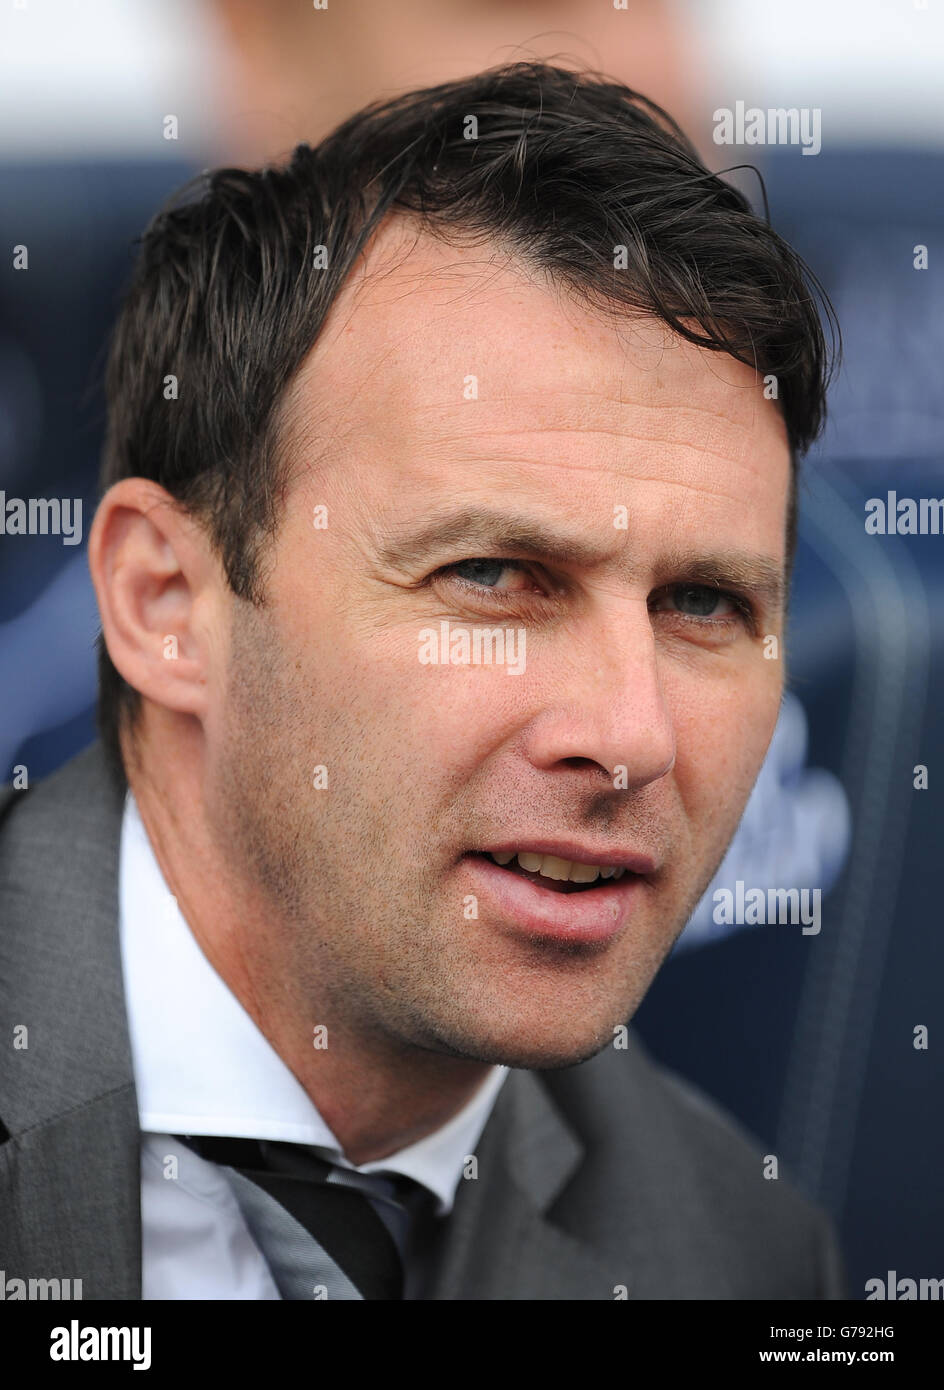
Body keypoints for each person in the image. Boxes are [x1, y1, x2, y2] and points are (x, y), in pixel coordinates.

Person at [0, 62, 845, 1300]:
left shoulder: (738, 1253)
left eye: (703, 604)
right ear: (166, 603)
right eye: (493, 577)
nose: (630, 735)